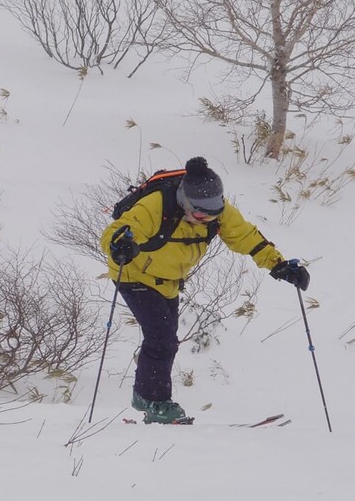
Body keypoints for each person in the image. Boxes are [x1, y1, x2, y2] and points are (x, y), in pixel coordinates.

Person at [100, 156, 309, 424]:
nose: (205, 219)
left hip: (169, 282)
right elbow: (117, 231)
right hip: (133, 273)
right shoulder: (156, 205)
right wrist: (120, 245)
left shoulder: (217, 213)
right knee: (161, 337)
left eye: (212, 214)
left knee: (166, 340)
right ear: (185, 201)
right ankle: (154, 400)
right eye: (199, 214)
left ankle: (146, 397)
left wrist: (279, 265)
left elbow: (246, 237)